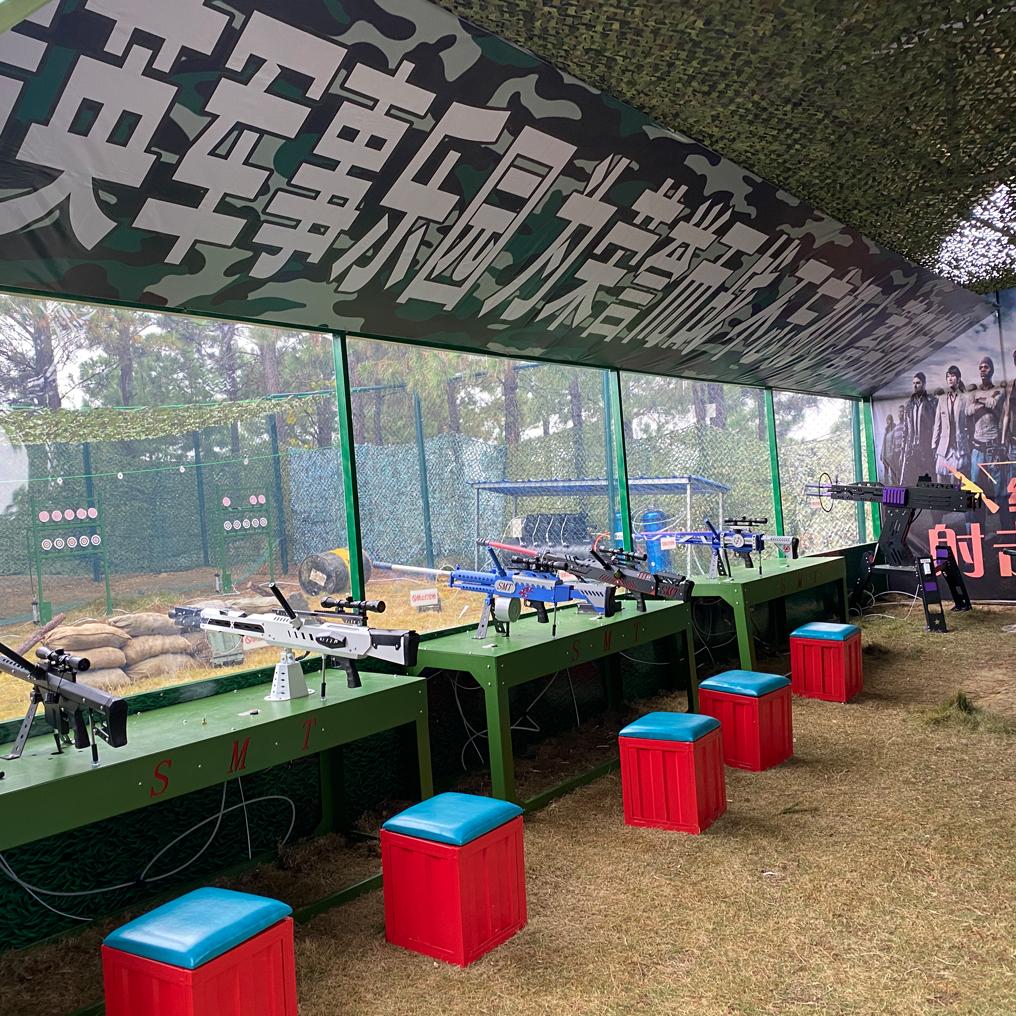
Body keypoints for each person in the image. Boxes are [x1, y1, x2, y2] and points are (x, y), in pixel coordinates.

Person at [964, 355, 1004, 495]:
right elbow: (968, 411)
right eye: (980, 367)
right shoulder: (974, 393)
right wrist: (985, 400)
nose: (982, 370)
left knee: (998, 489)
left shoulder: (998, 391)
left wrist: (978, 401)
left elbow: (993, 403)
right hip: (977, 448)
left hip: (993, 447)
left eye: (985, 367)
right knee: (975, 488)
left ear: (991, 370)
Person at [932, 365, 969, 483]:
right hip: (944, 446)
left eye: (953, 376)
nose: (950, 379)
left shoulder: (965, 399)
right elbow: (937, 424)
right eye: (948, 376)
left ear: (958, 379)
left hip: (958, 446)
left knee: (955, 480)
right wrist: (934, 445)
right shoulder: (942, 399)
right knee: (940, 476)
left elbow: (969, 423)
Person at [900, 372, 937, 483]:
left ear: (924, 384)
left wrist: (935, 447)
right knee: (912, 479)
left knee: (929, 478)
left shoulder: (932, 401)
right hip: (912, 447)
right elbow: (906, 429)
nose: (915, 386)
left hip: (927, 446)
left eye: (918, 383)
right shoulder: (909, 404)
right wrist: (903, 449)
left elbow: (937, 426)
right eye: (913, 383)